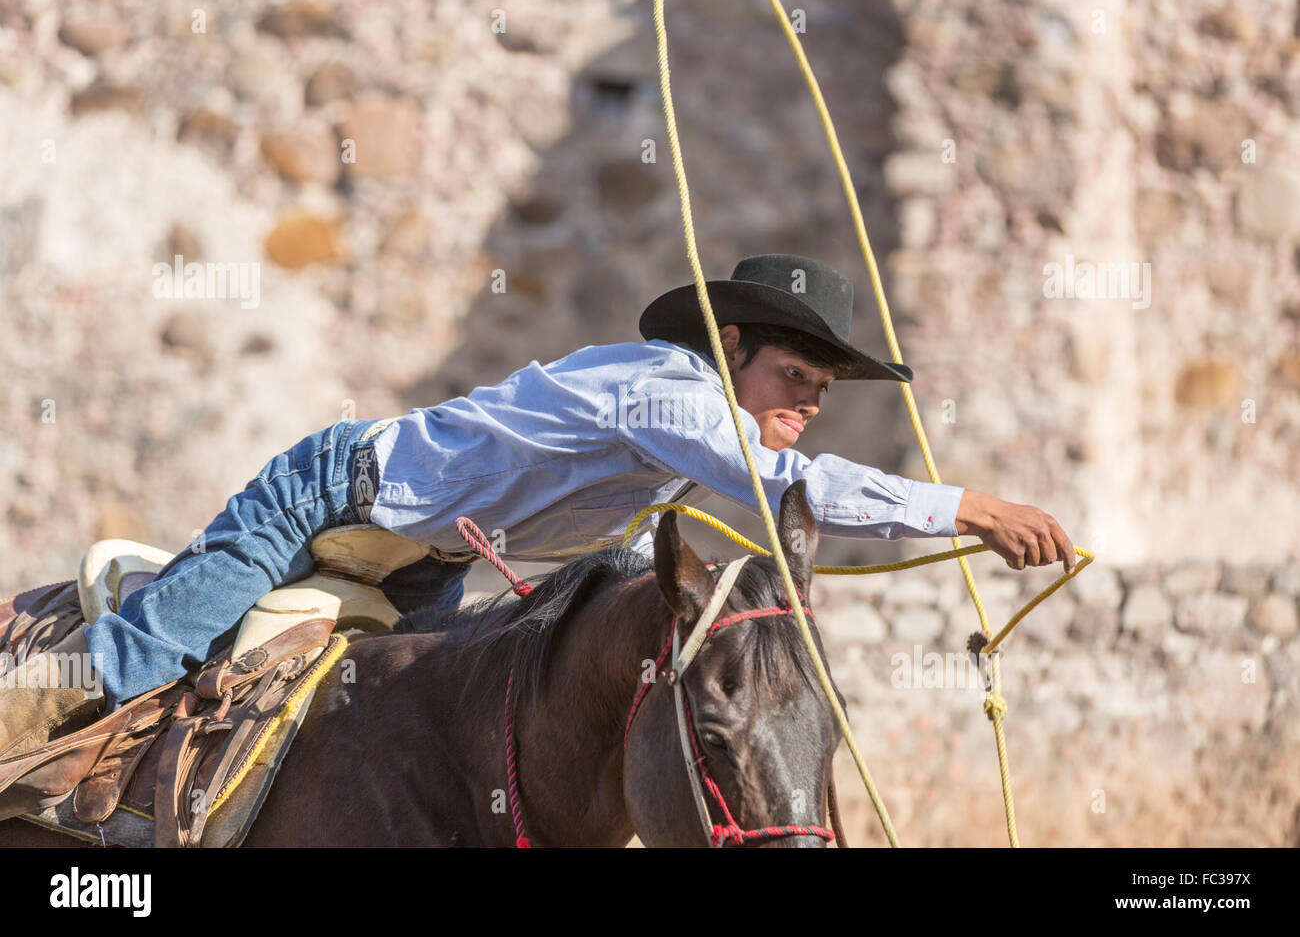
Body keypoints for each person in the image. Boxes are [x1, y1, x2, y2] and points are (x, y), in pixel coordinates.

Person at [0, 253, 1074, 759]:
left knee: (401, 742)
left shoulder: (696, 434)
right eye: (796, 375)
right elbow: (790, 487)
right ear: (733, 346)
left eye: (822, 393)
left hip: (422, 561)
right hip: (326, 491)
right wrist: (967, 507)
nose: (807, 404)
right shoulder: (671, 393)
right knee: (140, 657)